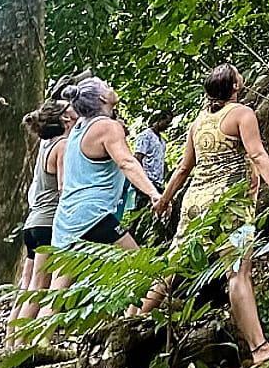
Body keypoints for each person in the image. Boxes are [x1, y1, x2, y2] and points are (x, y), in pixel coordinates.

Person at [144, 64, 269, 364]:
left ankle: (131, 317)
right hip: (229, 205)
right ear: (235, 87)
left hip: (195, 204)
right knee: (238, 274)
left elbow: (183, 168)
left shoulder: (198, 122)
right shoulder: (242, 114)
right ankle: (259, 348)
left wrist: (164, 200)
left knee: (171, 269)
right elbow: (257, 155)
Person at [40, 77, 162, 304]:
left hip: (67, 218)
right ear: (103, 98)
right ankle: (133, 326)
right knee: (149, 273)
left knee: (58, 290)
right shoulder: (107, 127)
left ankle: (39, 338)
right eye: (106, 85)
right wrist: (155, 194)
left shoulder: (79, 127)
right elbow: (127, 163)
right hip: (93, 216)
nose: (110, 84)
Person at [8, 100, 77, 332]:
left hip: (33, 223)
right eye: (70, 109)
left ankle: (11, 336)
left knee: (26, 285)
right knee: (40, 286)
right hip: (49, 222)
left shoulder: (46, 144)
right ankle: (23, 343)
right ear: (65, 119)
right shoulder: (64, 145)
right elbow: (63, 187)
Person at [133, 110, 172, 207]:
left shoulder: (162, 141)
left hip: (158, 183)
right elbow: (138, 158)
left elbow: (161, 161)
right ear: (159, 120)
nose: (167, 126)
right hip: (146, 182)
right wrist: (138, 180)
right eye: (166, 122)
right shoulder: (145, 136)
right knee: (141, 209)